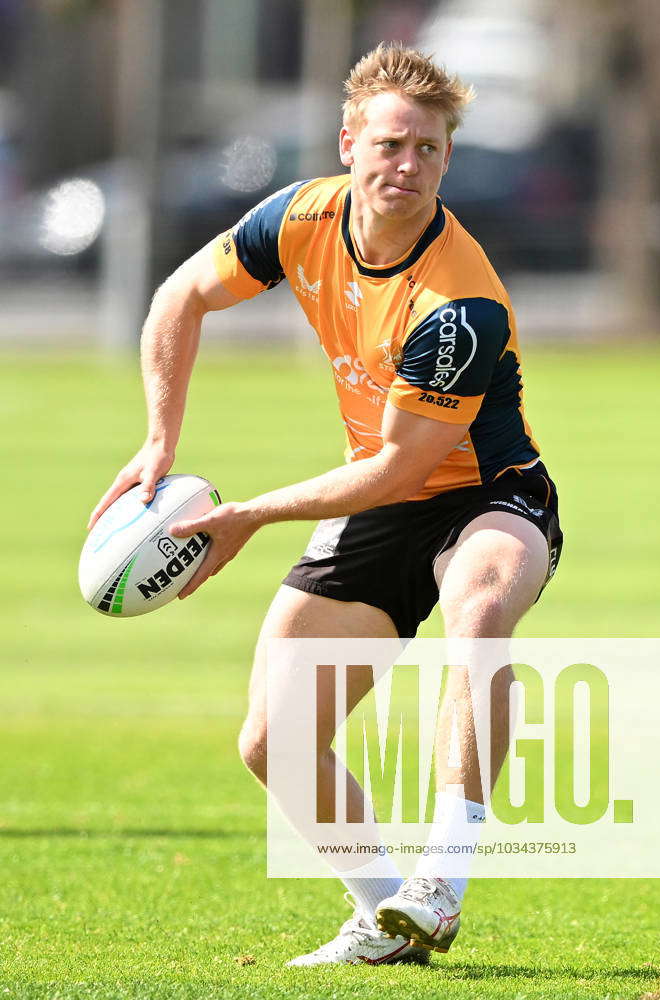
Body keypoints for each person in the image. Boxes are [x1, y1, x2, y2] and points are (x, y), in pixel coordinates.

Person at [89, 43, 563, 966]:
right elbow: (180, 297)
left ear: (446, 160)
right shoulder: (300, 216)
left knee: (475, 612)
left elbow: (395, 467)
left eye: (428, 150)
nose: (407, 166)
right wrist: (159, 441)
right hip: (378, 496)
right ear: (348, 143)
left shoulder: (458, 302)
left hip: (487, 495)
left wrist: (249, 516)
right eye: (390, 144)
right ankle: (384, 915)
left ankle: (440, 881)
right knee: (271, 741)